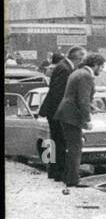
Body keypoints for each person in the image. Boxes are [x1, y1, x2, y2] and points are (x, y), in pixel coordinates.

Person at [54, 51, 104, 190]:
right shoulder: (86, 76)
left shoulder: (78, 72)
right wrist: (87, 120)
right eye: (101, 66)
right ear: (95, 64)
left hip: (67, 113)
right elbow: (83, 100)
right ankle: (73, 180)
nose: (101, 70)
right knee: (75, 148)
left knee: (72, 147)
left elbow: (76, 96)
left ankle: (70, 176)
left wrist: (92, 107)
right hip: (71, 116)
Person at [38, 46, 78, 181]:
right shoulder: (65, 69)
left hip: (53, 110)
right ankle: (60, 172)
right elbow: (59, 93)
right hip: (57, 111)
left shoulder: (62, 66)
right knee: (60, 141)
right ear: (77, 58)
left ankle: (54, 171)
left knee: (56, 141)